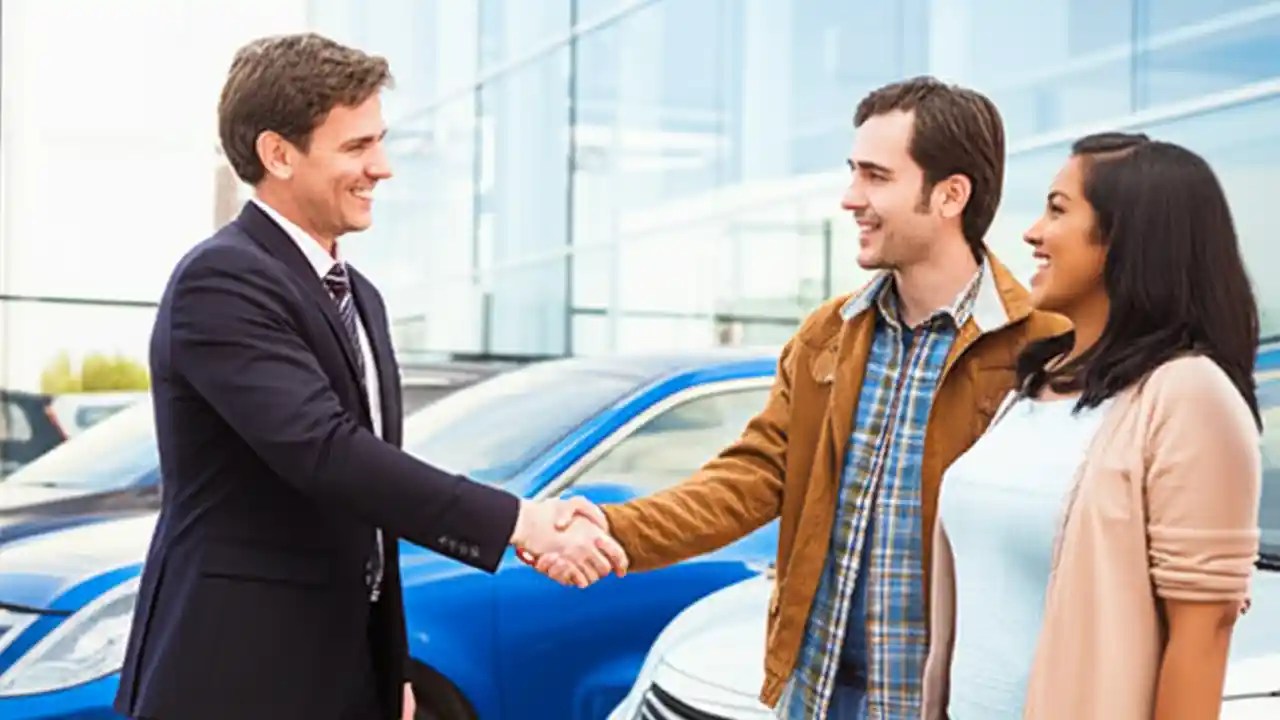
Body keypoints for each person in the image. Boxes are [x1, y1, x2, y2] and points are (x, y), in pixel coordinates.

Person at [113, 33, 625, 720]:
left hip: (342, 671)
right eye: (356, 147)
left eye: (379, 141)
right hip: (238, 672)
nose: (381, 168)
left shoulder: (360, 295)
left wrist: (385, 669)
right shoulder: (223, 280)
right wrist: (521, 522)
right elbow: (327, 455)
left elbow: (371, 496)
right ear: (278, 155)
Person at [536, 76, 1070, 719]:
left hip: (957, 703)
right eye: (853, 173)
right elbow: (751, 477)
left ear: (951, 194)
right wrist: (615, 528)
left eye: (876, 176)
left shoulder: (1044, 345)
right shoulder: (828, 335)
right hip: (819, 696)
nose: (851, 199)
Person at [919, 132, 1262, 719]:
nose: (1031, 233)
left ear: (1128, 237)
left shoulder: (1189, 395)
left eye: (1057, 210)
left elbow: (1202, 636)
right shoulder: (1035, 383)